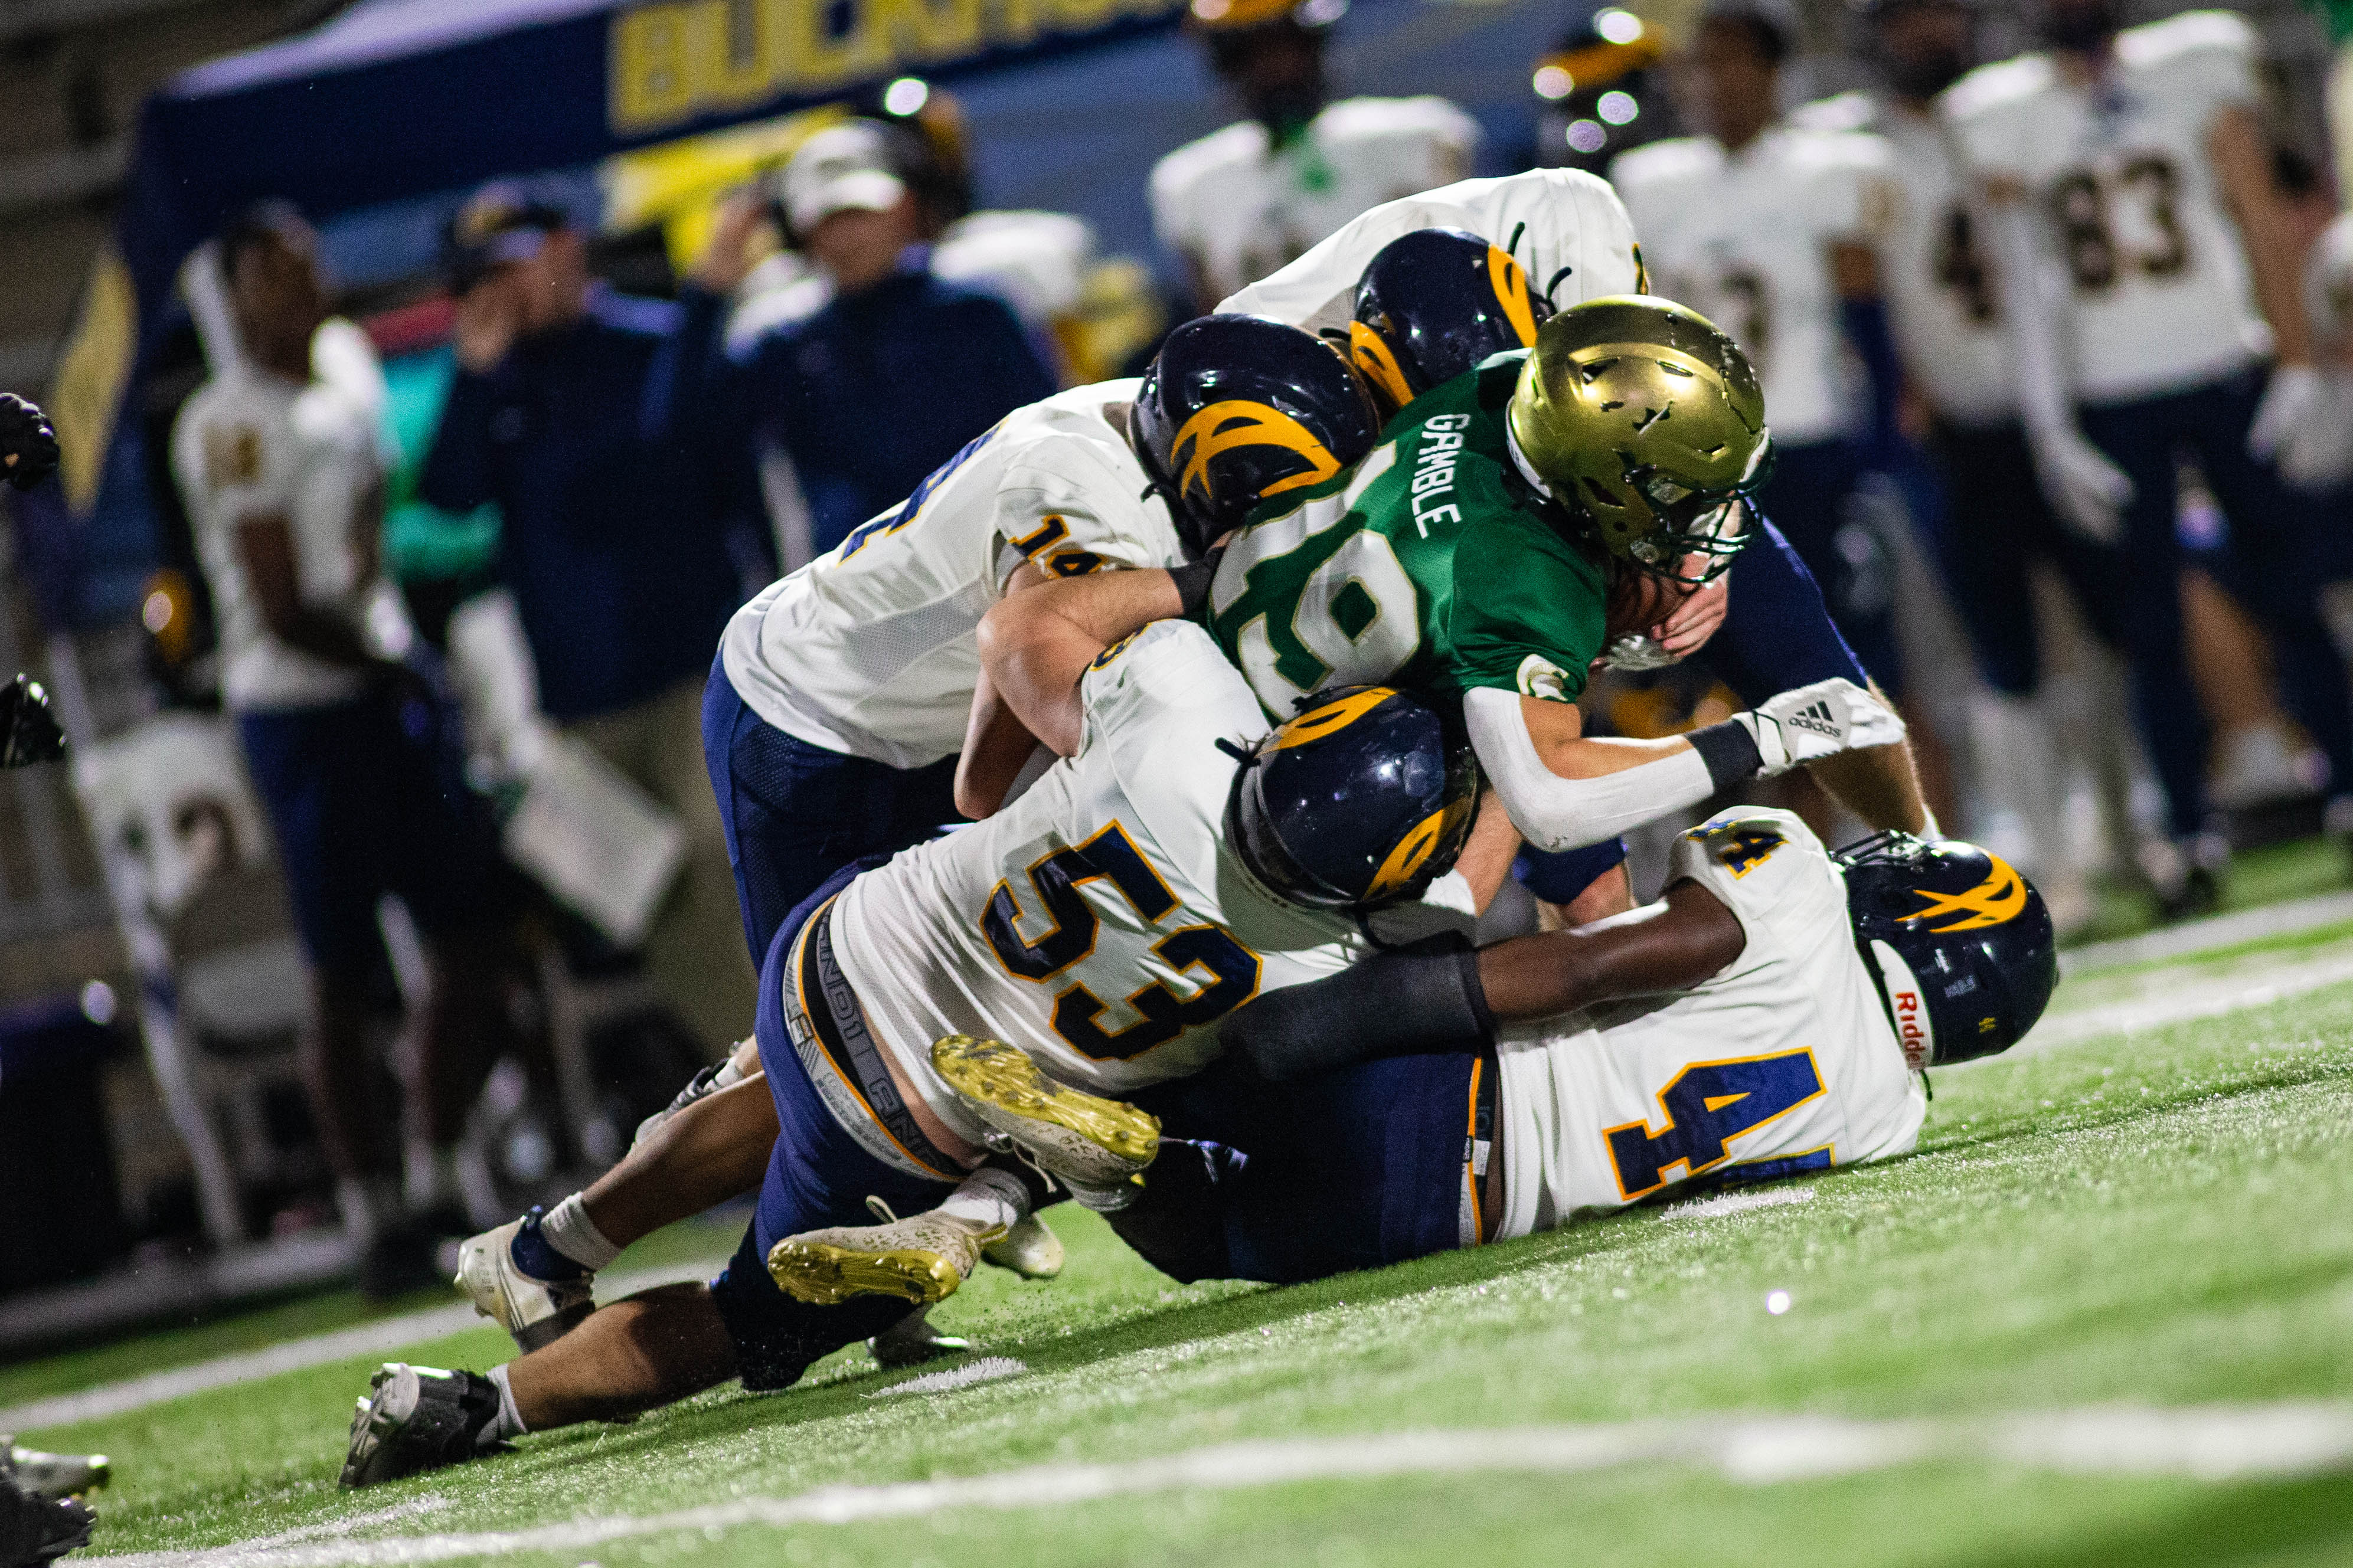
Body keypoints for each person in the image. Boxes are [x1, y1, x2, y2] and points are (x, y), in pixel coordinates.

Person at [338, 599, 1491, 1487]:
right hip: (904, 1115)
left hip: (839, 942)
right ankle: (480, 1403)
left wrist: (1000, 787)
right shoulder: (1320, 956)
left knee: (868, 1025)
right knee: (768, 1312)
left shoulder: (1189, 704)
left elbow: (1037, 628)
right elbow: (1460, 926)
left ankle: (560, 1237)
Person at [934, 813, 2055, 1287]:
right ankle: (1112, 1175)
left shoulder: (1802, 886)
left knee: (1194, 1067)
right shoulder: (1887, 1121)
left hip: (1443, 1078)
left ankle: (996, 1168)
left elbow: (1592, 966)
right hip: (1465, 1214)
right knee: (1202, 1240)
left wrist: (1371, 1008)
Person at [168, 204, 512, 1291]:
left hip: (380, 677)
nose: (302, 287)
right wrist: (387, 661)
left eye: (306, 265)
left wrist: (395, 638)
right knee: (341, 968)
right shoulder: (227, 421)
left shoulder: (352, 364)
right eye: (273, 274)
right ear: (233, 298)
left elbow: (367, 527)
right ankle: (373, 1214)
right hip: (304, 709)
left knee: (472, 935)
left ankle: (440, 1169)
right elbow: (277, 608)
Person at [1949, 0, 2353, 911]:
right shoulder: (2004, 110)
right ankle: (2186, 828)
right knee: (2151, 630)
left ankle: (2343, 787)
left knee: (2290, 594)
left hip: (2221, 365)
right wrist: (2048, 425)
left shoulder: (2191, 61)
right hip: (2111, 390)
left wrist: (2289, 359)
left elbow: (2254, 211)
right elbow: (2025, 278)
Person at [1790, 0, 2118, 928]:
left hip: (2064, 399)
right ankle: (2041, 840)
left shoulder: (2011, 111)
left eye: (1935, 13)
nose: (1922, 33)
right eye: (1903, 19)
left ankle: (2131, 817)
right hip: (1950, 425)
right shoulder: (1851, 149)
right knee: (1986, 638)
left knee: (2110, 614)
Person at [419, 185, 756, 1053]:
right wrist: (471, 374)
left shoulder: (651, 343)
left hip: (692, 667)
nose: (502, 290)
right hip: (580, 696)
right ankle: (753, 1082)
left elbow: (695, 464)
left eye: (514, 264)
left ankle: (805, 1079)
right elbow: (447, 496)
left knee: (732, 874)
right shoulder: (495, 384)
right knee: (651, 905)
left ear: (567, 250)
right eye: (481, 277)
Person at [1612, 1, 1909, 695]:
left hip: (1812, 441)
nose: (1712, 82)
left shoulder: (1826, 165)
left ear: (1773, 70)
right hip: (1699, 468)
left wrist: (1878, 450)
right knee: (1745, 682)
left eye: (1730, 61)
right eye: (1698, 66)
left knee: (1859, 663)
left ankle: (1907, 806)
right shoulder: (1649, 183)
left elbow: (1866, 316)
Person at [691, 120, 1060, 561]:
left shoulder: (980, 311)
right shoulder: (779, 344)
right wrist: (705, 296)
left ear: (903, 207)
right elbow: (683, 441)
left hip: (997, 559)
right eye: (829, 219)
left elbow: (1048, 440)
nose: (848, 236)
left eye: (860, 212)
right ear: (800, 232)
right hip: (865, 592)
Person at [1149, 0, 1478, 313]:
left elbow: (1472, 262)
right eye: (1251, 53)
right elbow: (1216, 316)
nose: (1275, 69)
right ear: (1227, 64)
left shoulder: (1421, 134)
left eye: (1285, 46)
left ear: (1313, 42)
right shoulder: (1190, 183)